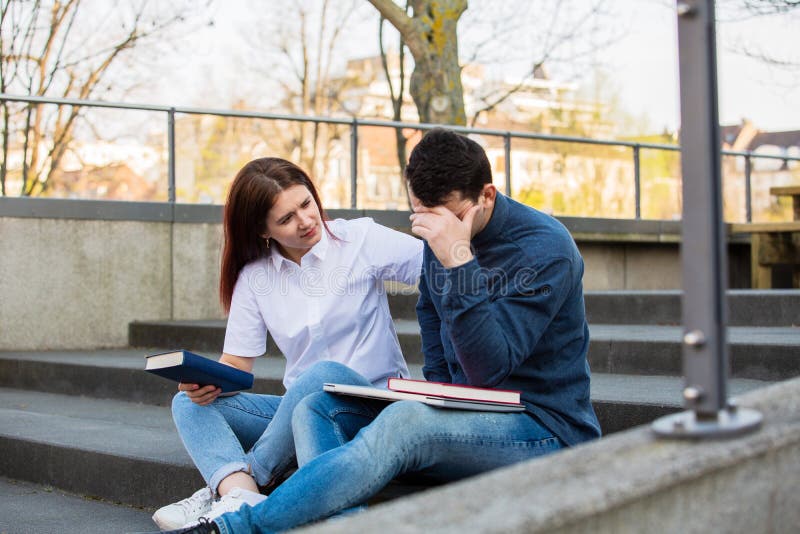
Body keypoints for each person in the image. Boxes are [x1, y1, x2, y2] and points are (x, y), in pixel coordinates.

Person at [153, 128, 601, 534]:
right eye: (421, 214)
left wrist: (459, 261)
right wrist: (442, 394)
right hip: (459, 411)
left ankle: (237, 523)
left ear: (487, 194)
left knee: (400, 418)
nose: (432, 228)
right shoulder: (435, 234)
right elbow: (434, 321)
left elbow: (489, 367)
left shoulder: (544, 249)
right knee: (313, 408)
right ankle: (317, 516)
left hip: (543, 427)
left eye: (306, 205)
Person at [151, 157, 422, 529]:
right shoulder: (255, 277)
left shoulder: (361, 239)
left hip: (370, 406)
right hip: (296, 415)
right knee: (189, 403)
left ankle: (242, 485)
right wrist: (205, 381)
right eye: (286, 219)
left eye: (306, 204)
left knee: (322, 375)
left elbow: (437, 269)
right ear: (263, 230)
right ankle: (238, 493)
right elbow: (236, 366)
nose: (306, 221)